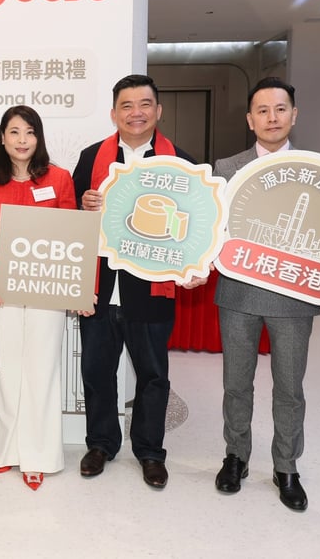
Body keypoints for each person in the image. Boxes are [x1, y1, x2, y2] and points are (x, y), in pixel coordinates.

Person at [212, 76, 320, 511]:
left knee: (289, 387)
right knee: (236, 384)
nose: (272, 117)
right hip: (238, 295)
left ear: (294, 115)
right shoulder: (225, 169)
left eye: (280, 109)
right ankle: (236, 457)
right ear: (250, 119)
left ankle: (286, 466)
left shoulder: (319, 174)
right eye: (262, 110)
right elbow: (209, 233)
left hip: (293, 298)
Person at [72, 74, 205, 489]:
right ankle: (101, 444)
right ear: (114, 113)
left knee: (153, 375)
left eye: (144, 104)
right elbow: (69, 225)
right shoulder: (90, 157)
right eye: (126, 105)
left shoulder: (181, 164)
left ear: (158, 111)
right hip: (98, 288)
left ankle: (149, 451)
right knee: (96, 372)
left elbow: (196, 226)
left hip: (150, 291)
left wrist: (195, 265)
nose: (136, 112)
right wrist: (82, 204)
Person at [0, 105, 76, 491]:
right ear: (2, 137)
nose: (21, 140)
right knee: (10, 368)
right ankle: (8, 452)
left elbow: (71, 236)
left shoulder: (60, 179)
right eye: (14, 132)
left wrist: (77, 287)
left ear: (39, 138)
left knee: (41, 369)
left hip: (49, 287)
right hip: (2, 286)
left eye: (29, 132)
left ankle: (39, 456)